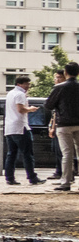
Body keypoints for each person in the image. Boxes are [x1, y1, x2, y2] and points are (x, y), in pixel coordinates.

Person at [4, 74, 43, 185]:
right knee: (27, 153)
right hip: (21, 127)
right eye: (26, 84)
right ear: (19, 84)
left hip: (9, 127)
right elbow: (21, 109)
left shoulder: (10, 93)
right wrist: (31, 109)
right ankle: (32, 177)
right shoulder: (20, 94)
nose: (28, 86)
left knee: (11, 154)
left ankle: (9, 177)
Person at [46, 61, 79, 191]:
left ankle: (66, 182)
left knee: (67, 153)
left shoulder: (59, 87)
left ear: (65, 73)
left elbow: (48, 105)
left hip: (64, 124)